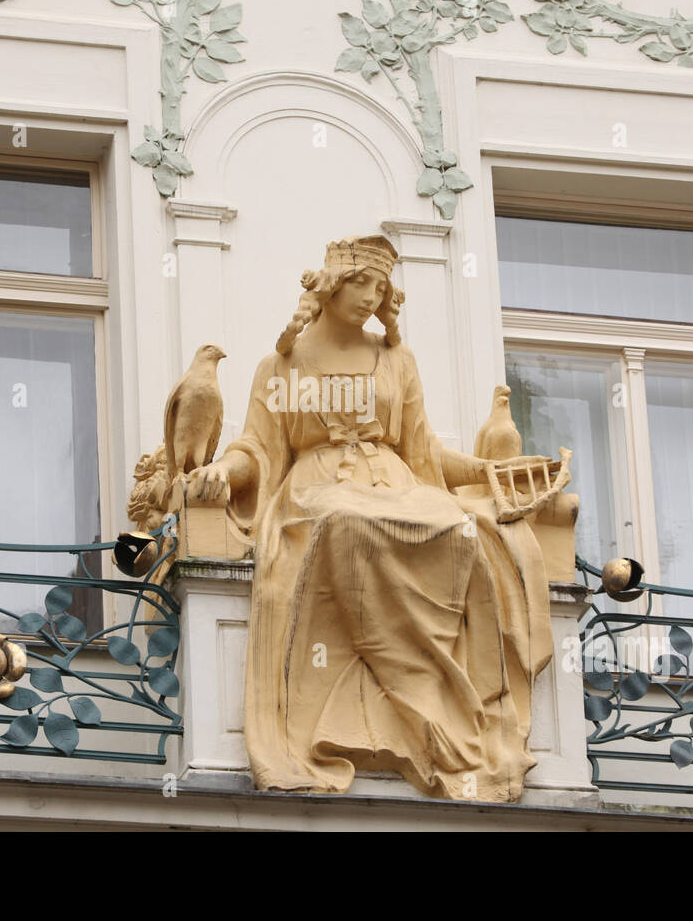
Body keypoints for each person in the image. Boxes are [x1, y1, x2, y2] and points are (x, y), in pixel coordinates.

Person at [187, 234, 553, 802]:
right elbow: (256, 448)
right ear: (331, 286)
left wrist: (485, 471)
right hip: (319, 490)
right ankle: (406, 694)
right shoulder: (281, 363)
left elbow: (424, 453)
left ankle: (443, 698)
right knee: (345, 522)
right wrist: (221, 475)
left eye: (380, 287)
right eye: (361, 283)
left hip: (397, 485)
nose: (371, 296)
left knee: (462, 529)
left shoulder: (397, 360)